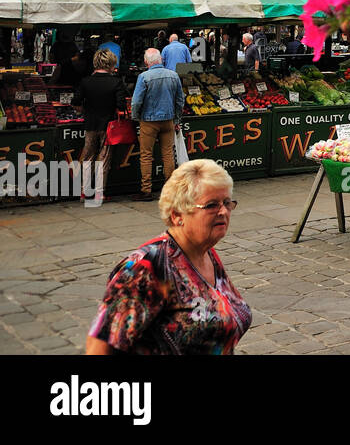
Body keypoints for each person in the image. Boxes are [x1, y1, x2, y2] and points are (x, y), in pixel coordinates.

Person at [86, 160, 252, 354]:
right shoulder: (145, 267)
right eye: (211, 205)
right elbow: (100, 348)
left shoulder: (205, 252)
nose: (223, 211)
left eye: (227, 202)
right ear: (176, 215)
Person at [130, 48, 185, 201]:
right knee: (168, 154)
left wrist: (136, 117)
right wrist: (176, 119)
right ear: (160, 60)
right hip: (168, 120)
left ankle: (146, 190)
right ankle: (169, 190)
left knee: (146, 155)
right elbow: (180, 100)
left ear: (147, 62)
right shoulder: (173, 75)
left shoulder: (144, 77)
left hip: (148, 120)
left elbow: (136, 101)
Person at [72, 48, 125, 200]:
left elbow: (75, 101)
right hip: (108, 126)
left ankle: (84, 191)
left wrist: (84, 109)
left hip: (90, 124)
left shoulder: (85, 81)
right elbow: (121, 106)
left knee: (87, 157)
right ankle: (99, 193)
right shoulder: (116, 82)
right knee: (104, 158)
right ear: (111, 64)